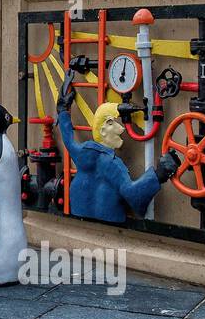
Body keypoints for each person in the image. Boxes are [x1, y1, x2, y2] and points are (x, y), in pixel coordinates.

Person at [56, 60, 179, 223]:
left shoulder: (82, 153)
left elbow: (67, 138)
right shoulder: (113, 166)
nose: (121, 129)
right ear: (102, 130)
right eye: (113, 123)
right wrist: (160, 174)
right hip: (110, 226)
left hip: (78, 218)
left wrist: (62, 109)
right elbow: (134, 196)